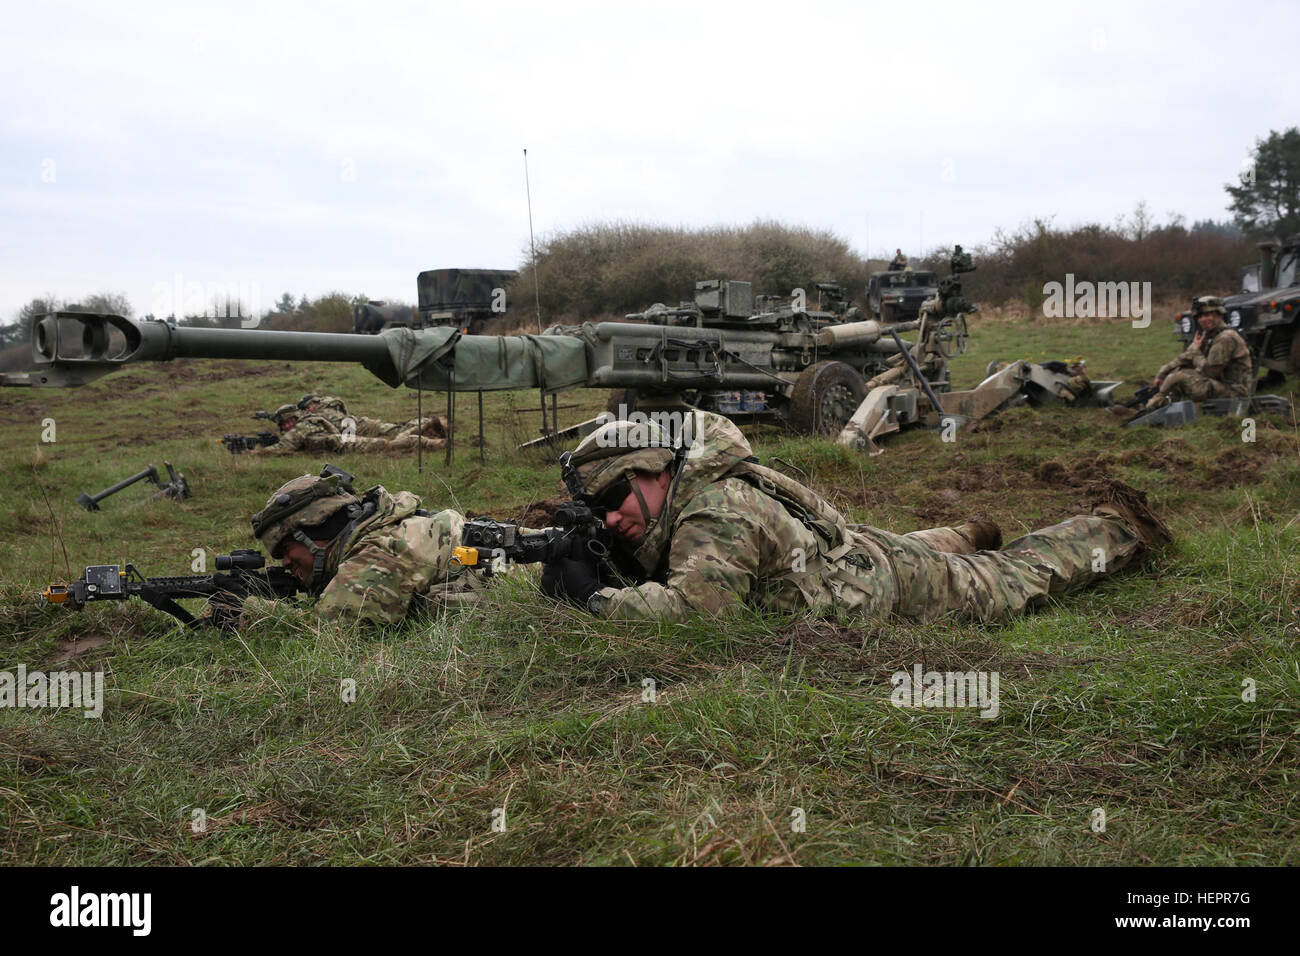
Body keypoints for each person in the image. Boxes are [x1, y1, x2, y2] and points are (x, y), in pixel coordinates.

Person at [537, 412, 1171, 623]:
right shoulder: (698, 485)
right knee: (928, 546)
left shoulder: (715, 511)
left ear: (653, 470)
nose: (610, 516)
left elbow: (700, 611)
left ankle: (1117, 527)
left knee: (1007, 579)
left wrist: (597, 601)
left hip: (877, 588)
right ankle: (970, 531)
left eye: (613, 498)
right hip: (846, 550)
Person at [250, 466, 473, 624]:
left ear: (317, 531)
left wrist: (251, 607)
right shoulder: (376, 529)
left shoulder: (378, 555)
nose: (286, 563)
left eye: (287, 550)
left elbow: (328, 633)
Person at [1142, 297, 1253, 410]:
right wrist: (1163, 372)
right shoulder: (1209, 335)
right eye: (1200, 317)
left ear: (1218, 314)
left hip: (1235, 392)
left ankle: (1154, 404)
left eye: (1207, 315)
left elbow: (1211, 371)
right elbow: (1185, 357)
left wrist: (1195, 353)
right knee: (1178, 372)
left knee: (1181, 377)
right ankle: (1157, 408)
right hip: (1220, 385)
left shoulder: (1225, 338)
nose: (1203, 319)